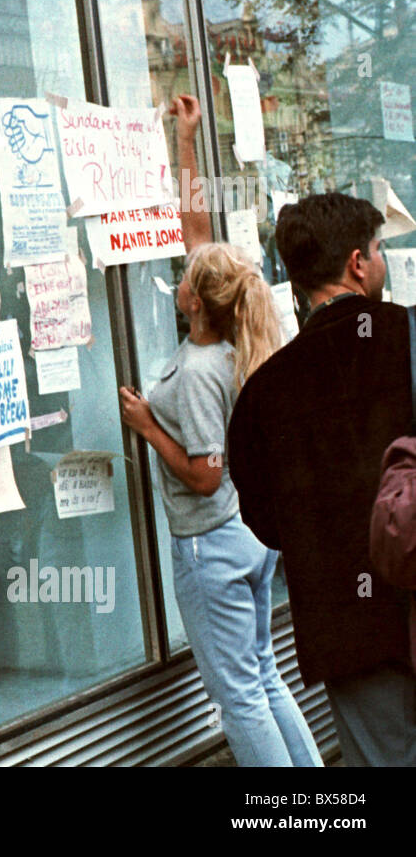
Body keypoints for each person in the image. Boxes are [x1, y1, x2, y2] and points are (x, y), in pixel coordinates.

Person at [118, 94, 322, 767]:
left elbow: (204, 473)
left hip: (213, 543)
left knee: (238, 696)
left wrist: (148, 426)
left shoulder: (202, 370)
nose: (178, 275)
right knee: (263, 676)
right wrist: (185, 140)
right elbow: (195, 228)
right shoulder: (243, 344)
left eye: (184, 277)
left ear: (196, 303)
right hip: (249, 537)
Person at [228, 190, 416, 766]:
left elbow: (263, 518)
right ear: (358, 262)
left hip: (346, 627)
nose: (382, 261)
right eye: (380, 248)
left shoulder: (264, 391)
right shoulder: (408, 339)